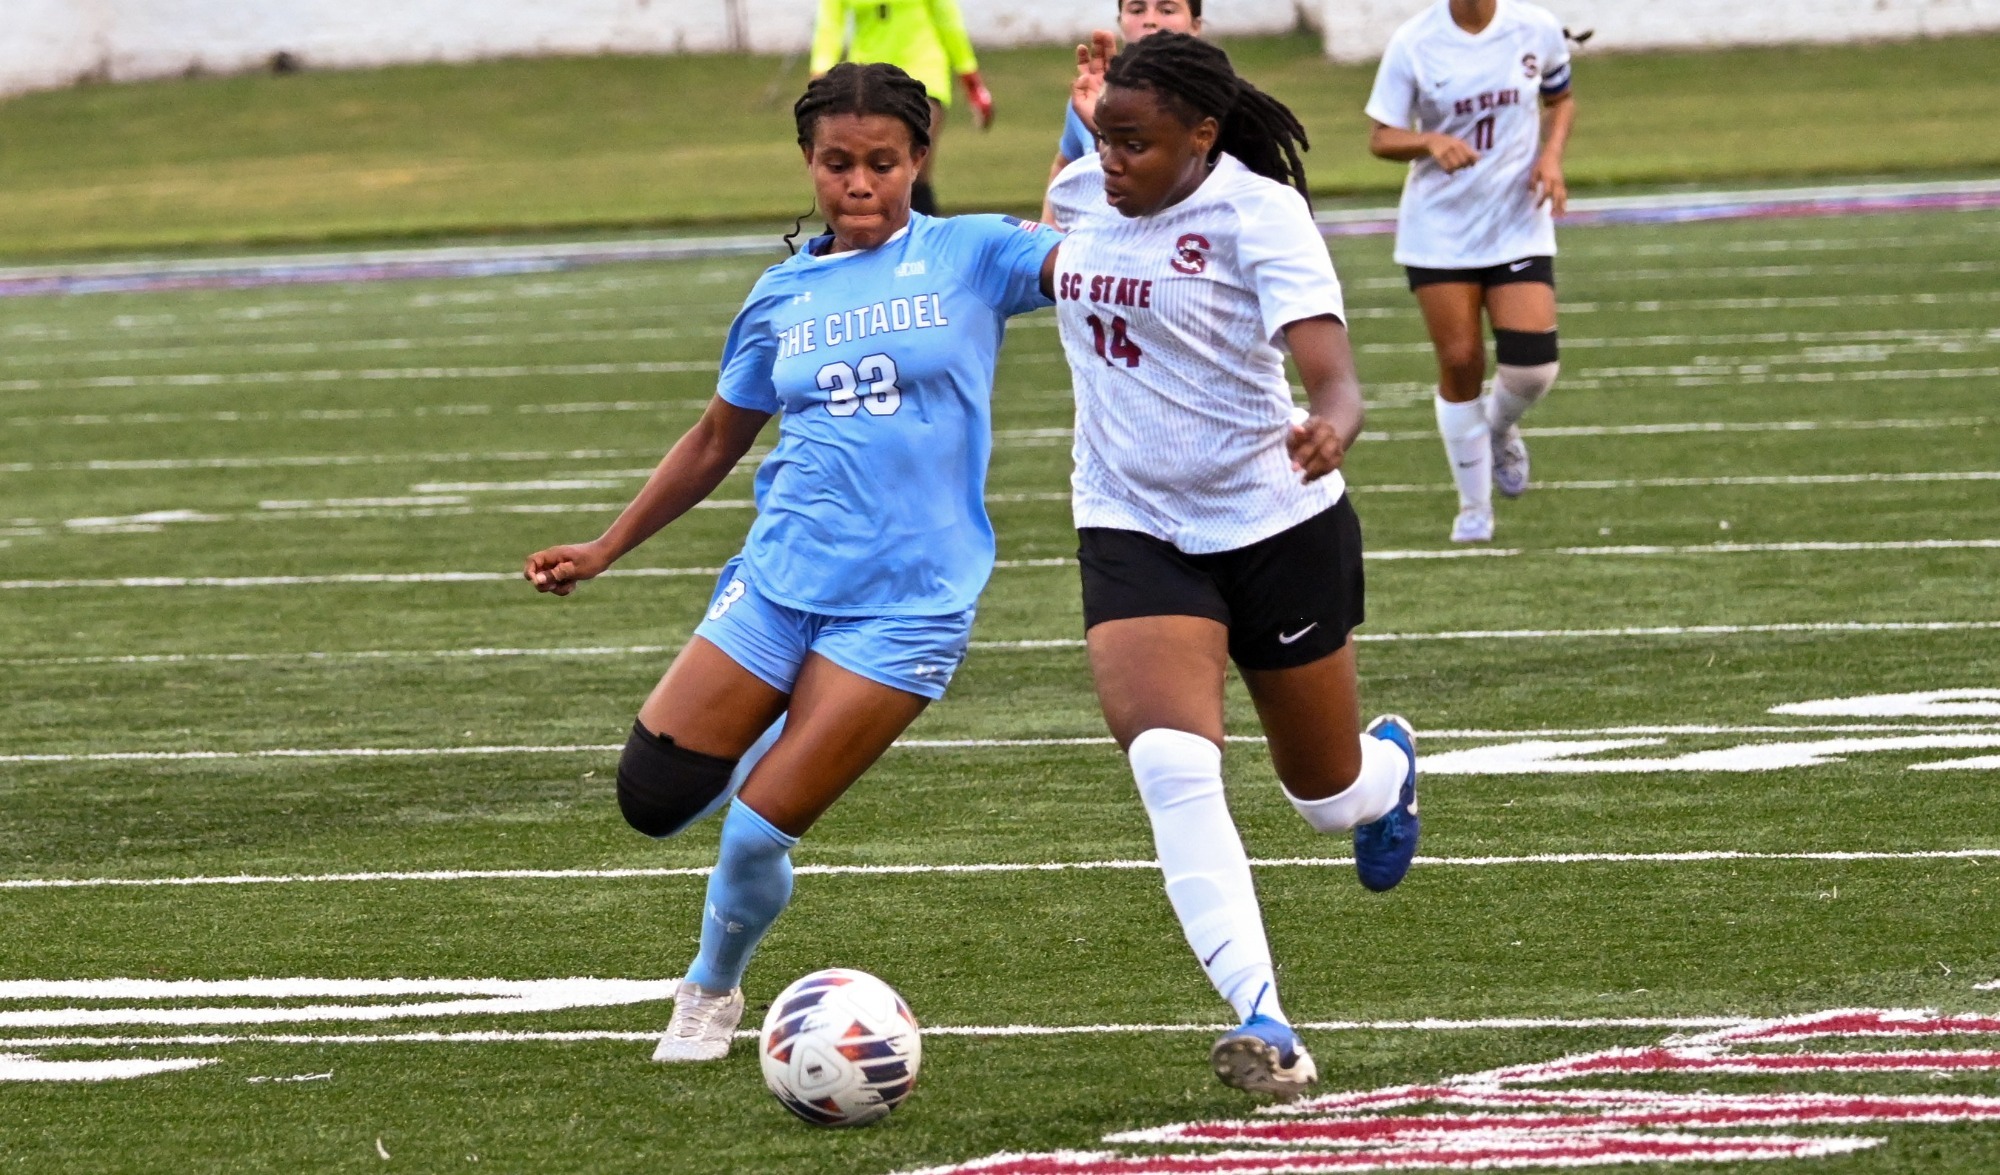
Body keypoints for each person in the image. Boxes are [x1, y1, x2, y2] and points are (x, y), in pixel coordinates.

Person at [523, 62, 1060, 1063]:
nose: (859, 184)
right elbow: (715, 439)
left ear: (922, 156)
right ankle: (773, 765)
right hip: (777, 582)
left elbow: (1087, 261)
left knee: (755, 832)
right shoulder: (781, 292)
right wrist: (603, 547)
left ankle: (709, 990)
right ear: (808, 163)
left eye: (883, 163)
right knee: (651, 797)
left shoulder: (971, 252)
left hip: (908, 603)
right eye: (836, 164)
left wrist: (1085, 134)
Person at [1048, 32, 1419, 1099]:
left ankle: (1386, 770)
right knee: (1170, 763)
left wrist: (1333, 422)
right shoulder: (1077, 194)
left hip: (1277, 526)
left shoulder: (1259, 213)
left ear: (1201, 137)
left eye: (1135, 142)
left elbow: (1328, 368)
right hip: (1130, 525)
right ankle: (1263, 1014)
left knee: (1324, 792)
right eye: (1101, 138)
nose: (1110, 160)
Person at [1363, 0, 1576, 542]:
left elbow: (1562, 98)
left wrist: (1550, 158)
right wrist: (1428, 140)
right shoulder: (1416, 41)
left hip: (1516, 221)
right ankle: (1474, 507)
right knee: (1460, 363)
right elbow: (1382, 135)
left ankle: (1499, 427)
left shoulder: (1536, 27)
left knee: (1532, 370)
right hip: (1440, 230)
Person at [812, 0, 995, 216]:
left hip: (923, 74)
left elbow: (948, 20)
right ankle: (857, 241)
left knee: (913, 169)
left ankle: (928, 244)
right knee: (864, 170)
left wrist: (972, 82)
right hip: (866, 80)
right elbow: (830, 25)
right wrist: (820, 75)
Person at [1039, 0, 1204, 229]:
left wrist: (1106, 129)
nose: (1150, 20)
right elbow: (1065, 163)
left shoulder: (1209, 106)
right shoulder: (1093, 99)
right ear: (1120, 22)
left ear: (1195, 26)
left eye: (1167, 10)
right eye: (1136, 10)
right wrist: (1048, 233)